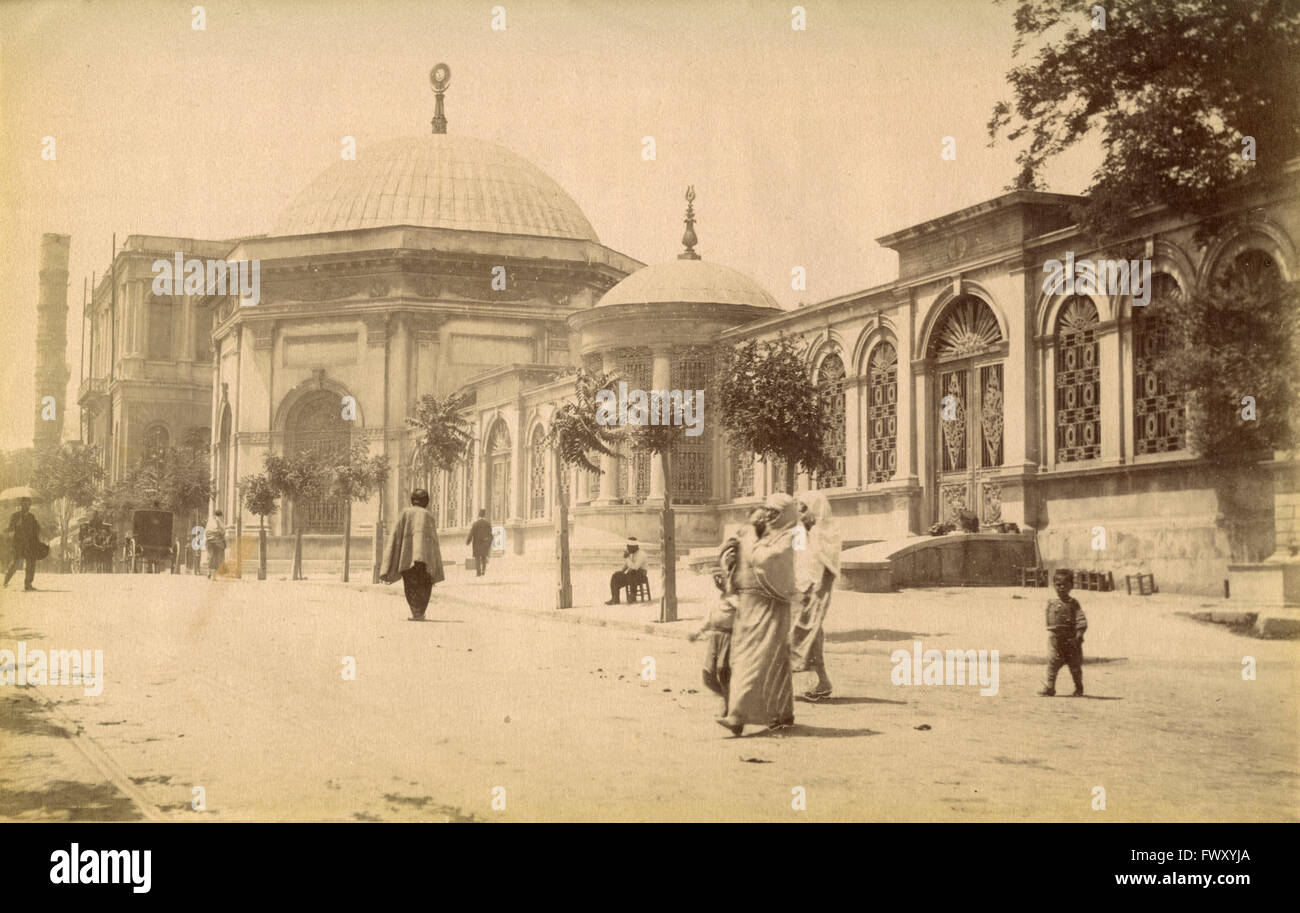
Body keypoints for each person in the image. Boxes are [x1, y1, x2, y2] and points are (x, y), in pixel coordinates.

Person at [716, 493, 799, 736]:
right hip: (747, 604)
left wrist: (750, 544)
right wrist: (728, 557)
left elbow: (767, 560)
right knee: (768, 659)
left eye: (776, 512)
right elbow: (729, 544)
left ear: (786, 513)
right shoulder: (756, 530)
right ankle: (782, 712)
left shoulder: (792, 535)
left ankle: (737, 716)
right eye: (768, 511)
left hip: (772, 604)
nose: (769, 516)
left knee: (754, 659)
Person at [790, 490, 841, 701]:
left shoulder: (827, 532)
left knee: (805, 634)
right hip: (801, 589)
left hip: (816, 589)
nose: (799, 512)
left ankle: (816, 682)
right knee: (808, 635)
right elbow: (796, 558)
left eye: (803, 508)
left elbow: (827, 564)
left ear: (814, 509)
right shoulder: (802, 531)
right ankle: (821, 682)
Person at [688, 537, 740, 715]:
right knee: (708, 675)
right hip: (714, 637)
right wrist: (697, 631)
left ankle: (729, 705)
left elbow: (745, 607)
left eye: (733, 554)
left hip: (729, 636)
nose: (729, 558)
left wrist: (734, 597)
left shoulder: (740, 583)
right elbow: (711, 614)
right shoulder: (722, 588)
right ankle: (728, 698)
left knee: (723, 671)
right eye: (726, 555)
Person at [380, 489, 445, 620]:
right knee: (425, 584)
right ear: (426, 501)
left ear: (412, 500)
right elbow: (433, 541)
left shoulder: (405, 513)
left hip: (407, 557)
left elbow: (395, 535)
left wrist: (392, 559)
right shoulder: (428, 516)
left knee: (410, 584)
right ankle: (420, 612)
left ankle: (416, 612)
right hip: (424, 559)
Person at [1038, 569, 1088, 697]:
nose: (1061, 587)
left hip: (1071, 641)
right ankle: (1050, 687)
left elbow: (1081, 619)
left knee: (1075, 667)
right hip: (1055, 641)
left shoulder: (1073, 603)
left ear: (1071, 586)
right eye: (1057, 584)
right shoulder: (1051, 602)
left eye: (1064, 584)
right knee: (1052, 664)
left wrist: (1079, 635)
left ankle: (1079, 687)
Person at [3, 497, 43, 591]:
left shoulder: (31, 516)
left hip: (29, 544)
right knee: (16, 563)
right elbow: (10, 528)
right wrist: (16, 525)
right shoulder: (15, 516)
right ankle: (6, 580)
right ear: (21, 504)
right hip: (18, 543)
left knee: (31, 563)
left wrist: (38, 529)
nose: (27, 506)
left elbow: (36, 528)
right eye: (25, 504)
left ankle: (28, 584)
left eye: (28, 504)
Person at [605, 537, 648, 605]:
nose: (627, 549)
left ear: (634, 547)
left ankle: (633, 595)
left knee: (632, 574)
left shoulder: (641, 554)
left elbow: (635, 567)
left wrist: (627, 558)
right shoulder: (631, 554)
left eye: (629, 547)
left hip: (640, 575)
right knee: (615, 576)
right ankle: (615, 598)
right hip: (631, 575)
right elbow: (627, 565)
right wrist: (620, 572)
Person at [466, 509, 493, 577]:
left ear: (479, 515)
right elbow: (490, 535)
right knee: (484, 557)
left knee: (477, 558)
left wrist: (468, 541)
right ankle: (483, 571)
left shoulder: (475, 524)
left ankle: (478, 573)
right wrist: (488, 543)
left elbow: (471, 534)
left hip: (476, 544)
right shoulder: (488, 524)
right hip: (484, 544)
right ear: (484, 515)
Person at [205, 510, 227, 579]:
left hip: (209, 541)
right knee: (217, 557)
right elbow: (222, 531)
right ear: (220, 516)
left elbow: (206, 531)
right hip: (218, 542)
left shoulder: (210, 521)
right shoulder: (219, 521)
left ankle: (208, 572)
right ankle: (215, 574)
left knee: (210, 556)